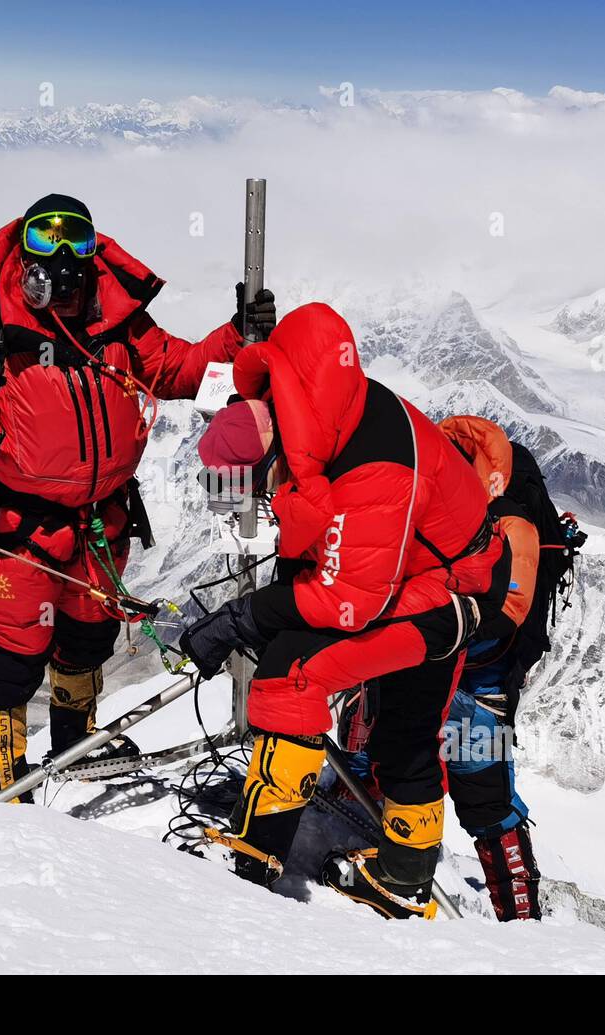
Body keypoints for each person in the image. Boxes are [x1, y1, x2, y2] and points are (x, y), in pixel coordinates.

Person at [0, 193, 275, 800]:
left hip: (103, 521)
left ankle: (75, 748)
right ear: (22, 252)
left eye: (76, 240)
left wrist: (237, 337)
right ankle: (2, 783)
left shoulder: (117, 320)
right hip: (22, 528)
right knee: (10, 657)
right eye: (46, 240)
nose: (63, 255)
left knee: (87, 638)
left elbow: (179, 370)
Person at [181, 302, 508, 918]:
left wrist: (244, 618)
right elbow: (339, 546)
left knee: (291, 671)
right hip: (426, 575)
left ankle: (256, 853)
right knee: (406, 729)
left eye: (257, 485)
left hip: (450, 596)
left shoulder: (372, 470)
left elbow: (348, 603)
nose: (263, 499)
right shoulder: (321, 410)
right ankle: (403, 878)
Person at [436, 416, 581, 921]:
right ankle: (518, 916)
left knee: (483, 796)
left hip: (474, 678)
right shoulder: (503, 508)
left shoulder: (504, 522)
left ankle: (521, 925)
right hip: (477, 679)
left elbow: (503, 618)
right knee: (485, 798)